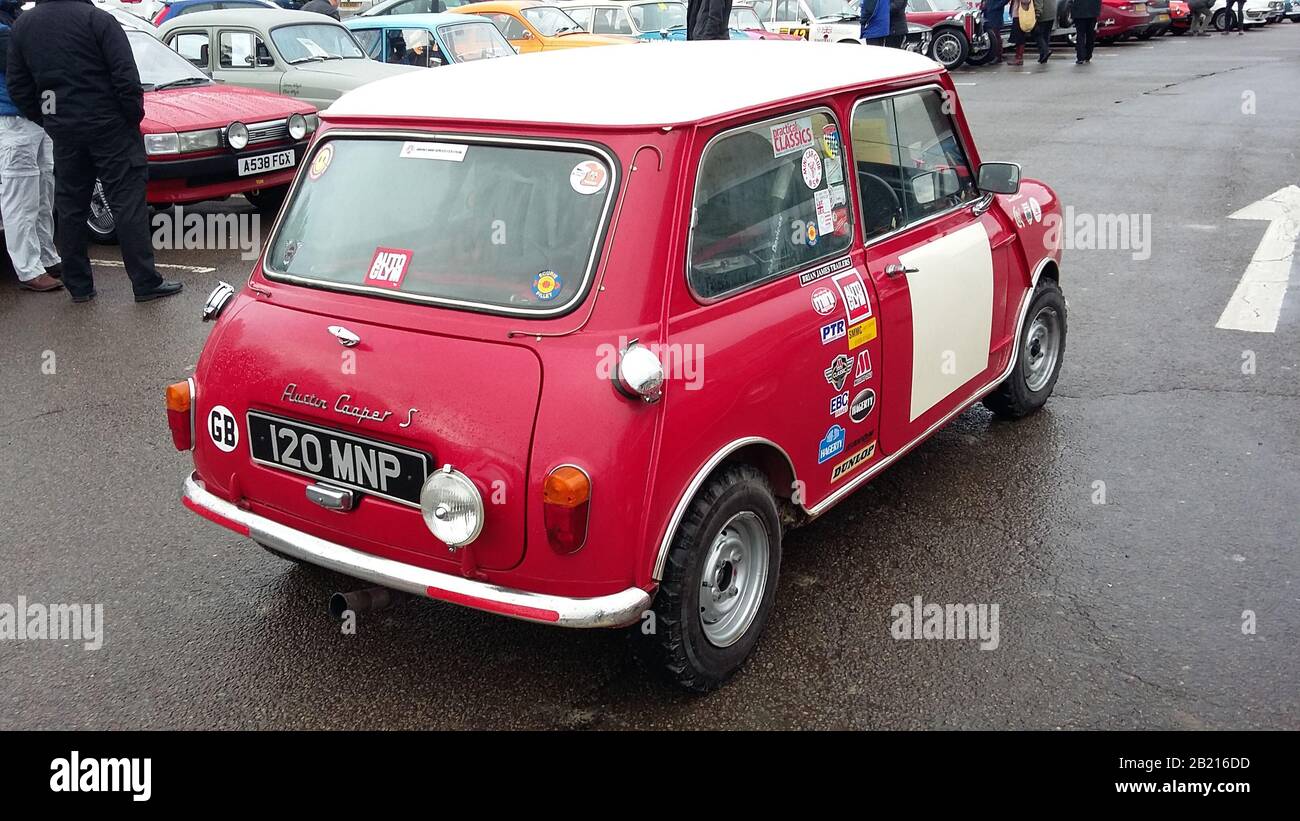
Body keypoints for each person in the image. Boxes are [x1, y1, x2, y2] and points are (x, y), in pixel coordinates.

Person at [7, 0, 181, 303]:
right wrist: (131, 118)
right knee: (127, 203)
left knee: (71, 208)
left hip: (65, 129)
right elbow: (126, 77)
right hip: (110, 127)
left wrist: (48, 119)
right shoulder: (97, 20)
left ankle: (79, 286)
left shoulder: (24, 25)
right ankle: (145, 281)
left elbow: (19, 85)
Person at [0, 1, 61, 292]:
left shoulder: (16, 20)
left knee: (42, 195)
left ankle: (46, 257)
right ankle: (28, 269)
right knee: (21, 199)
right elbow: (35, 62)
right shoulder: (8, 28)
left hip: (35, 118)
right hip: (12, 120)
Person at [1007, 0, 1045, 65]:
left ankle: (1019, 58)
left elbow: (1026, 1)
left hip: (1021, 15)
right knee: (1017, 38)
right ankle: (1017, 57)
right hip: (1017, 14)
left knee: (1020, 38)